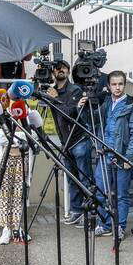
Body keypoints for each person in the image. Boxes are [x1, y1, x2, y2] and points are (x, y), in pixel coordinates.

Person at [85, 71, 133, 240]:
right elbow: (95, 123)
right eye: (114, 84)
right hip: (105, 154)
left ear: (124, 85)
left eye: (120, 84)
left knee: (121, 194)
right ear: (109, 86)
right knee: (102, 192)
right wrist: (85, 105)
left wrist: (128, 159)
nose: (117, 87)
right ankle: (104, 225)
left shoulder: (132, 106)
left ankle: (119, 226)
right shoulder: (106, 102)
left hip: (121, 156)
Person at [46, 61, 93, 226]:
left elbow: (70, 114)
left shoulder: (75, 90)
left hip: (79, 140)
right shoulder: (52, 91)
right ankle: (76, 211)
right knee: (72, 179)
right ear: (53, 72)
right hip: (66, 142)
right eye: (58, 68)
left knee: (84, 179)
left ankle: (88, 214)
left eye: (64, 68)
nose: (61, 70)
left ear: (68, 71)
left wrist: (56, 98)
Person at [0, 115, 31, 244]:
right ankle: (6, 228)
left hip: (23, 159)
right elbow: (2, 139)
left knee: (19, 194)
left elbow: (31, 137)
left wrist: (15, 136)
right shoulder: (1, 114)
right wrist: (20, 138)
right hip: (6, 159)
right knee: (5, 194)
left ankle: (17, 227)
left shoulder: (26, 112)